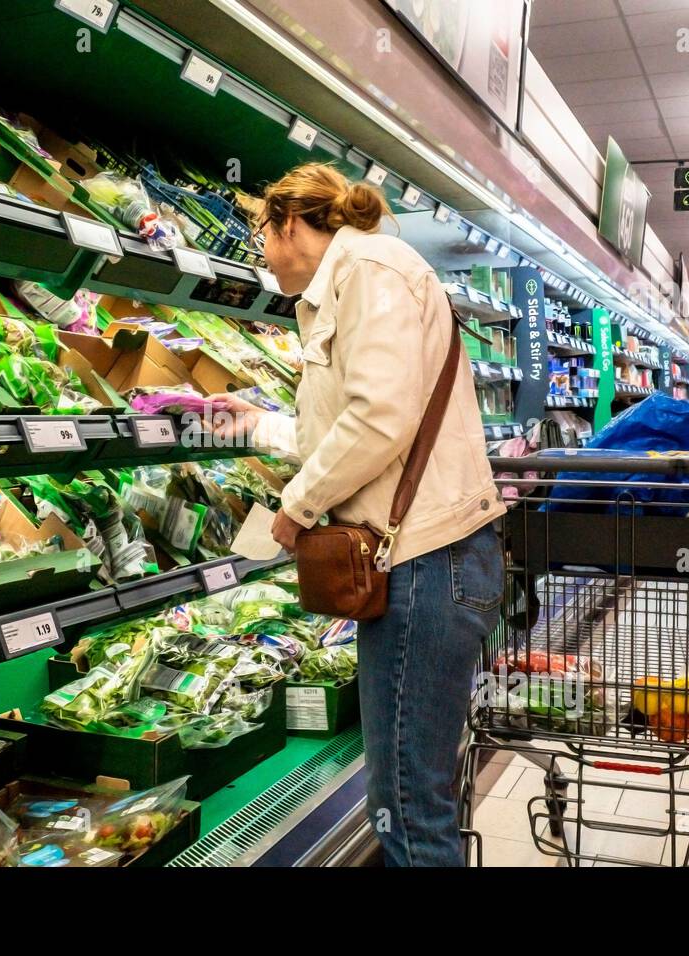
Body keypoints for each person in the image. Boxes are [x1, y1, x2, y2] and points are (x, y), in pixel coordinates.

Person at [212, 163, 505, 867]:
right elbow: (354, 427)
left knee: (407, 810)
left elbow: (380, 420)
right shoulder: (352, 279)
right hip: (426, 563)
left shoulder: (370, 271)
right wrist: (263, 427)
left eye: (262, 232)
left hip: (428, 568)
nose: (260, 251)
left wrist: (295, 505)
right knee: (415, 800)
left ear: (290, 222)